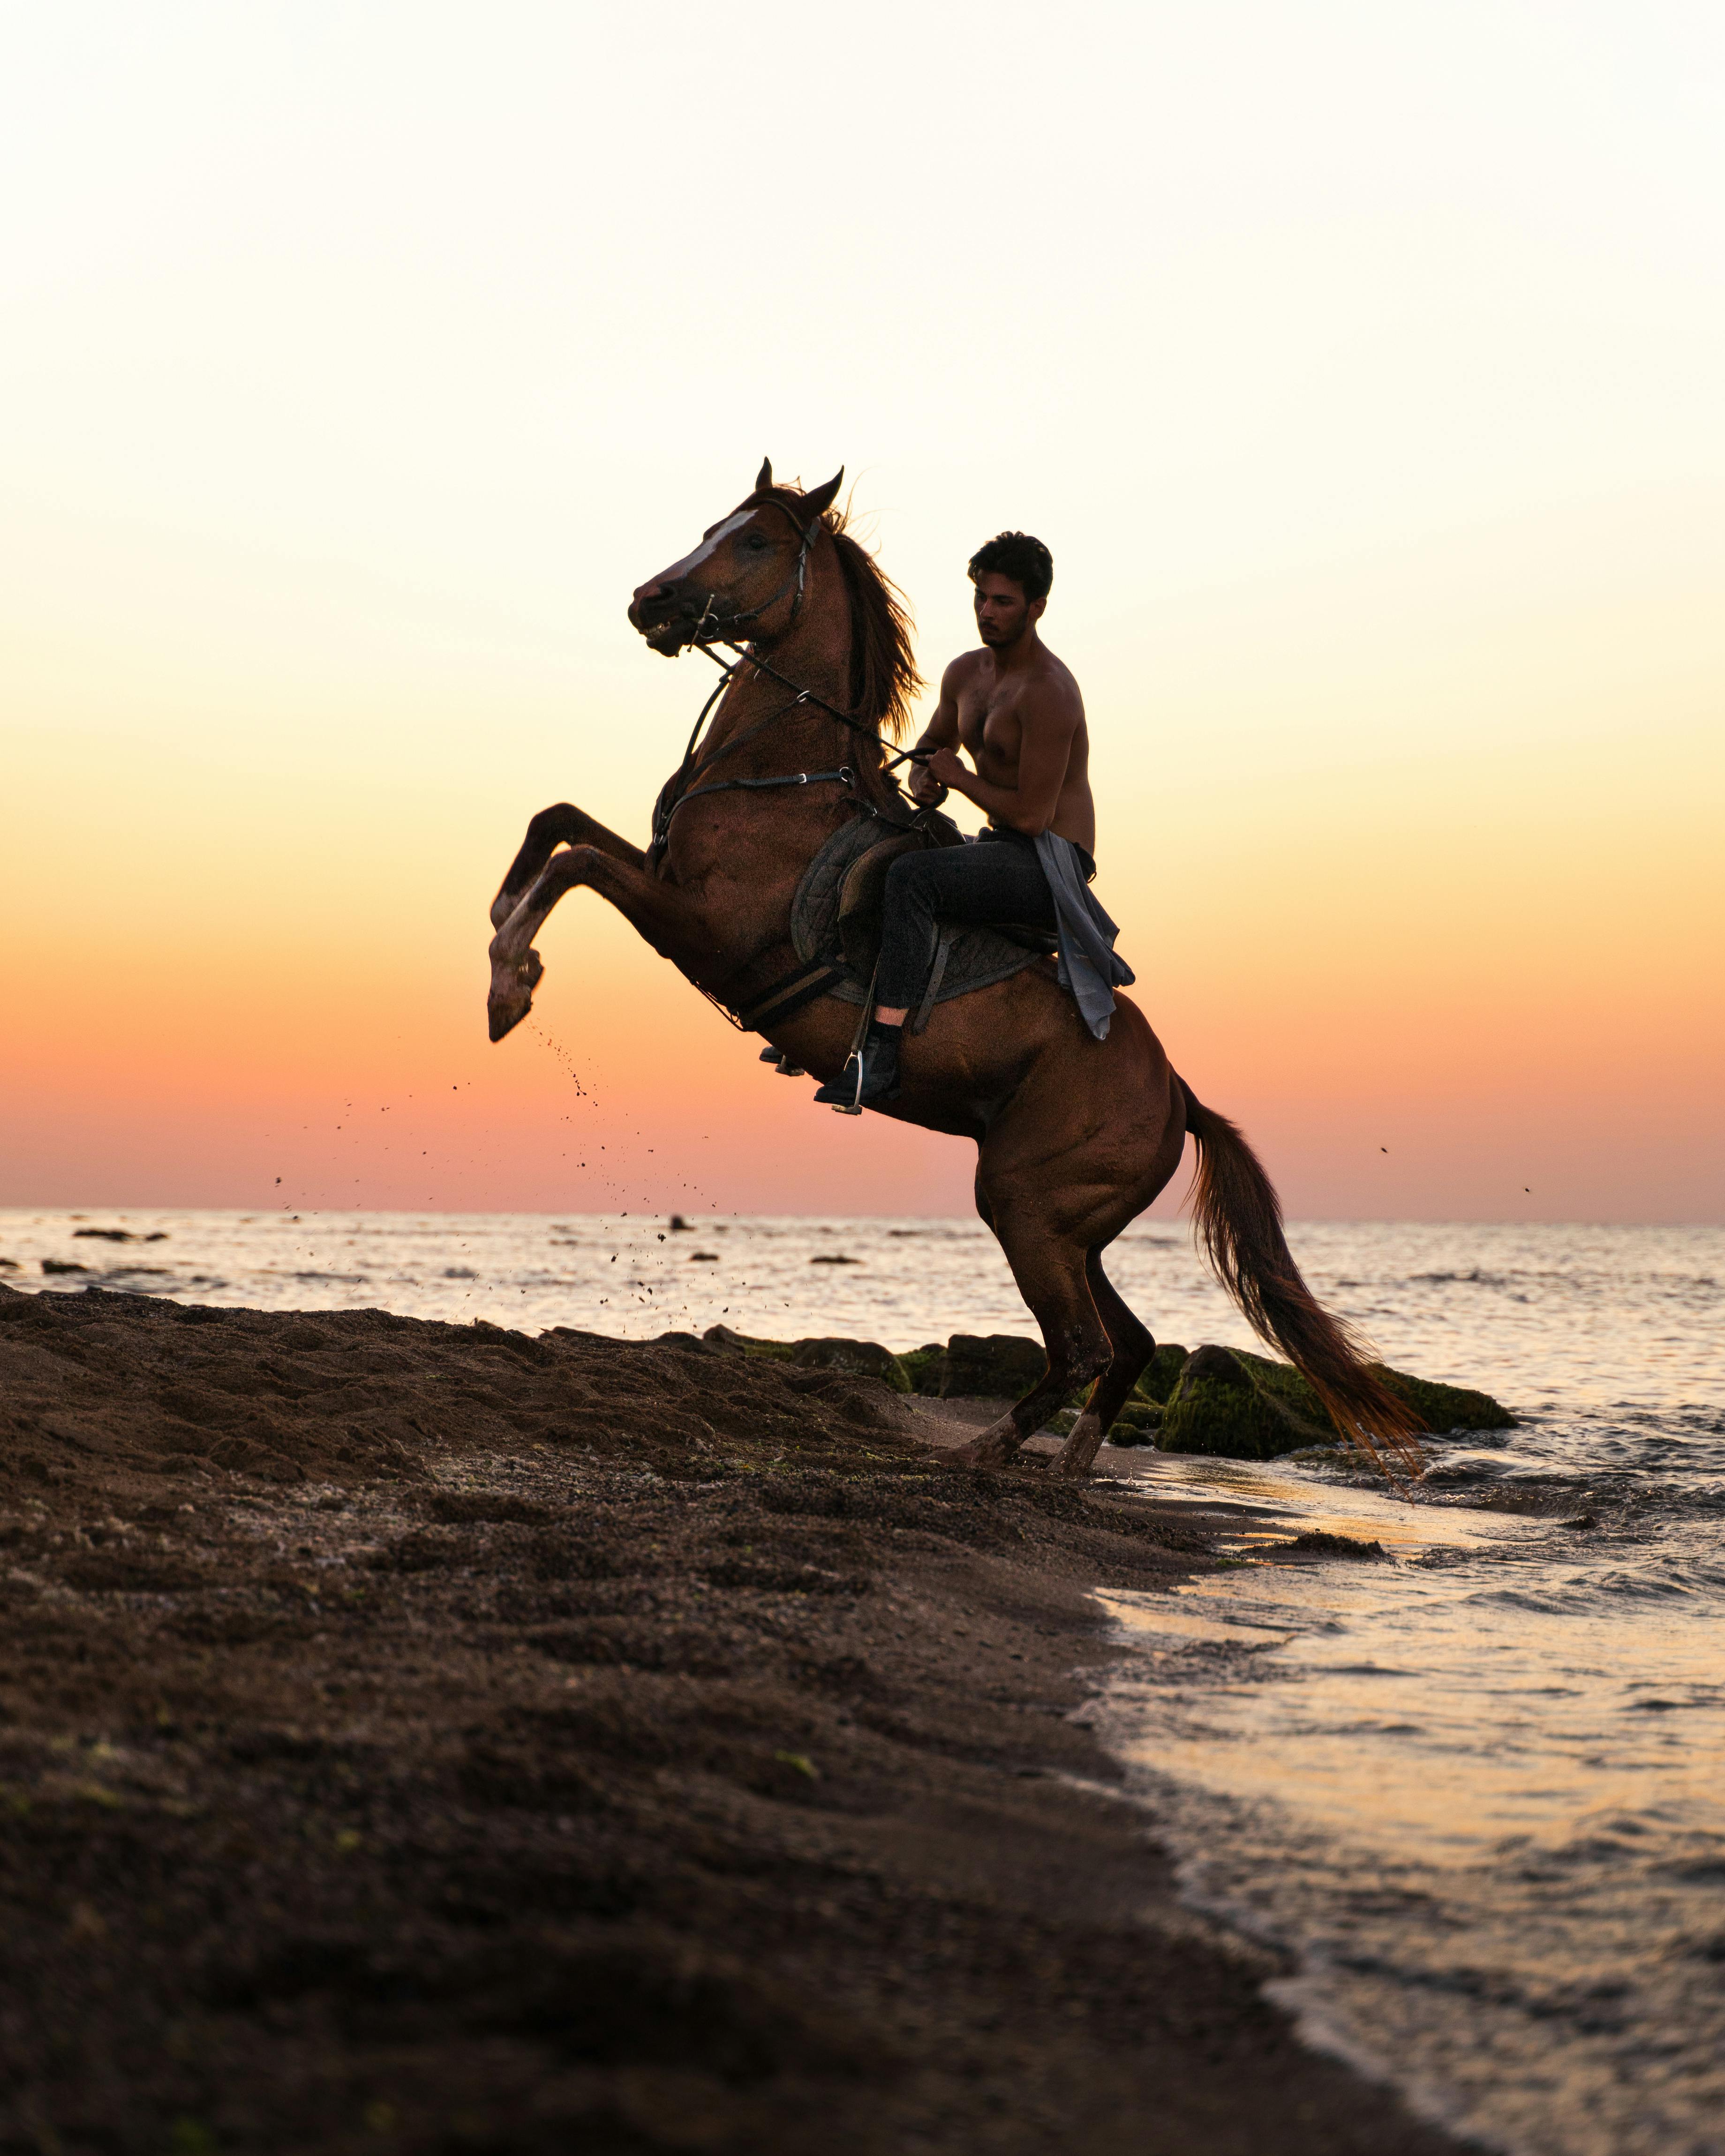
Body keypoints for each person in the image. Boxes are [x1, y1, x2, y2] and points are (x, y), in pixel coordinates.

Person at [814, 531, 1134, 1109]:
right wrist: (924, 778)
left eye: (1003, 602)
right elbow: (931, 746)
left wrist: (958, 779)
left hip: (1050, 867)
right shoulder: (965, 674)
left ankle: (882, 1057)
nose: (987, 612)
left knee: (913, 878)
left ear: (1036, 608)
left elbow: (1034, 818)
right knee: (873, 844)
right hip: (996, 845)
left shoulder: (1049, 693)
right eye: (980, 598)